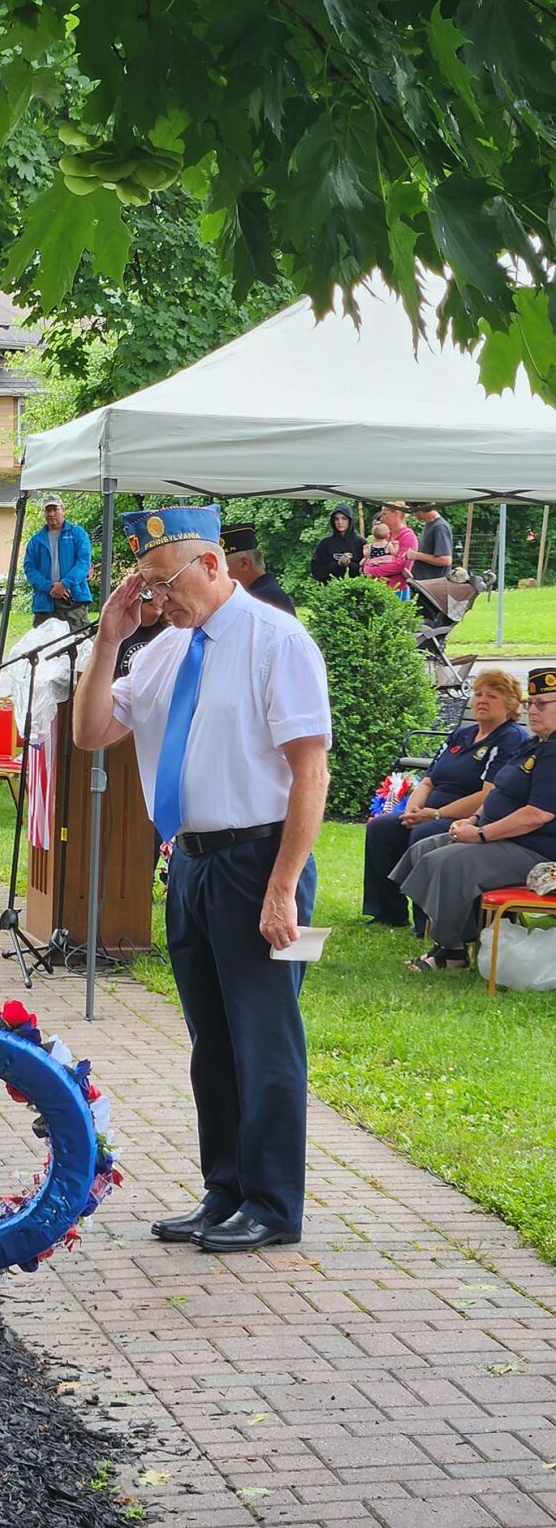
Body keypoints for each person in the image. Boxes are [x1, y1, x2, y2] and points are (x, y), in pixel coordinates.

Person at [74, 503, 331, 1253]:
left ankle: (273, 1202)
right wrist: (109, 637)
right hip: (187, 861)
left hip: (257, 861)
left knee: (263, 1037)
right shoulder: (159, 648)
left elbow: (309, 771)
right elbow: (93, 732)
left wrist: (282, 885)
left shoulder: (275, 639)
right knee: (210, 1041)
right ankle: (224, 1189)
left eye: (162, 584)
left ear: (212, 565)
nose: (155, 600)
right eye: (144, 587)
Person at [390, 668, 556, 971]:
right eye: (531, 702)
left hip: (537, 850)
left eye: (542, 704)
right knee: (425, 848)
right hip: (502, 835)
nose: (532, 709)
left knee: (451, 863)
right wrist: (473, 819)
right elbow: (500, 793)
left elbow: (536, 815)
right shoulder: (536, 743)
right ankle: (458, 942)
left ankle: (448, 949)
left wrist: (481, 834)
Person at [362, 671, 527, 928]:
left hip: (467, 818)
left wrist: (435, 814)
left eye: (492, 696)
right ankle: (388, 912)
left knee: (424, 833)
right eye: (478, 694)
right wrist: (415, 806)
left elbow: (489, 794)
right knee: (381, 828)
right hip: (429, 810)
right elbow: (429, 780)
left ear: (511, 704)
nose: (482, 700)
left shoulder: (510, 739)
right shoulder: (461, 736)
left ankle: (427, 922)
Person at [23, 495, 92, 629]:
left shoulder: (78, 533)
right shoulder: (36, 540)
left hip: (73, 598)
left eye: (55, 509)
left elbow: (84, 562)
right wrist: (49, 587)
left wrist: (65, 584)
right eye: (48, 510)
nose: (52, 513)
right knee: (42, 645)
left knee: (79, 641)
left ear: (63, 510)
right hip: (45, 602)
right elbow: (29, 569)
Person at [219, 522, 297, 616]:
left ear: (244, 564)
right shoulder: (267, 593)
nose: (217, 574)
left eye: (222, 567)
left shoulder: (263, 599)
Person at [410, 501, 455, 622]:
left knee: (429, 623)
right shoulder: (429, 525)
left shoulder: (439, 527)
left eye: (413, 510)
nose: (413, 515)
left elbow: (445, 559)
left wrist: (416, 555)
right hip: (423, 587)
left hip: (433, 589)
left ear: (419, 507)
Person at [361, 500, 417, 595]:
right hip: (380, 587)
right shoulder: (387, 535)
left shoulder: (408, 537)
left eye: (385, 514)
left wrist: (371, 570)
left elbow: (400, 565)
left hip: (397, 589)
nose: (382, 518)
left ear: (396, 514)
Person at [310, 503, 366, 582]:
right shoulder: (325, 544)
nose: (340, 522)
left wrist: (350, 564)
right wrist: (337, 565)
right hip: (330, 589)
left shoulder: (361, 543)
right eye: (336, 519)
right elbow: (317, 571)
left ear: (350, 520)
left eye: (344, 518)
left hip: (356, 587)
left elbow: (367, 571)